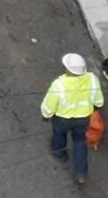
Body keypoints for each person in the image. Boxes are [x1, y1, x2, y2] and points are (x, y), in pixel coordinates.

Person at [42, 53, 104, 185]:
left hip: (62, 119)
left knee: (59, 135)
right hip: (83, 119)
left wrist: (46, 115)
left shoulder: (59, 85)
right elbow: (98, 101)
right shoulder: (92, 80)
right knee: (80, 142)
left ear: (69, 70)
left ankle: (60, 153)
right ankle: (81, 172)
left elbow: (49, 104)